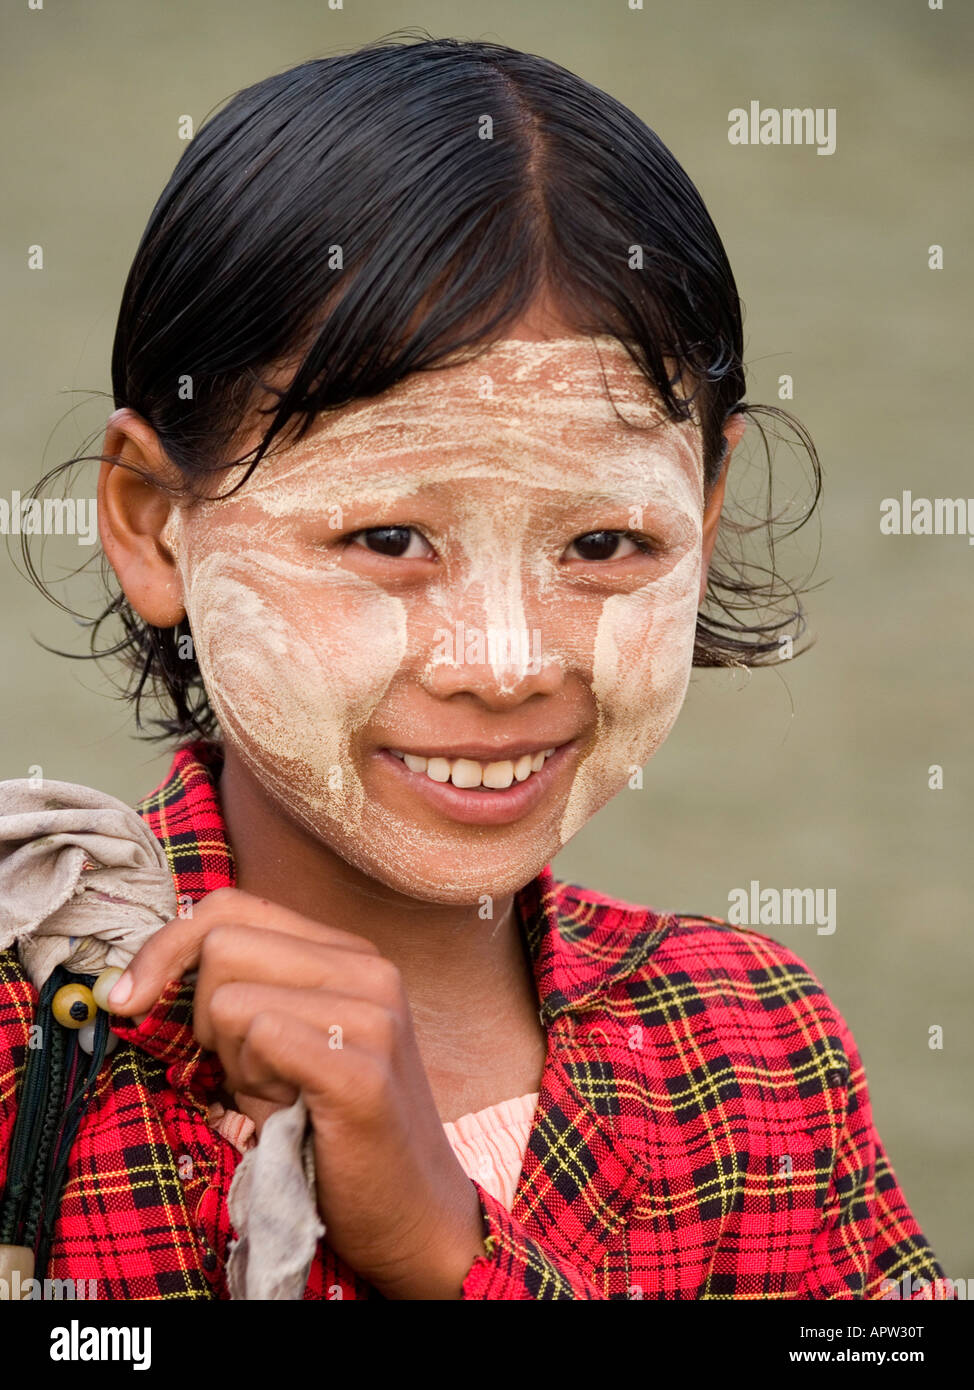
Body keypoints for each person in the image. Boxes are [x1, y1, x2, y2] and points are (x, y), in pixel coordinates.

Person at [4, 34, 947, 1300]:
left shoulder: (750, 1051)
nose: (501, 666)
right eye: (386, 538)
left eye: (604, 542)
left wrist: (445, 1253)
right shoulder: (38, 1038)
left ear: (706, 514)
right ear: (151, 519)